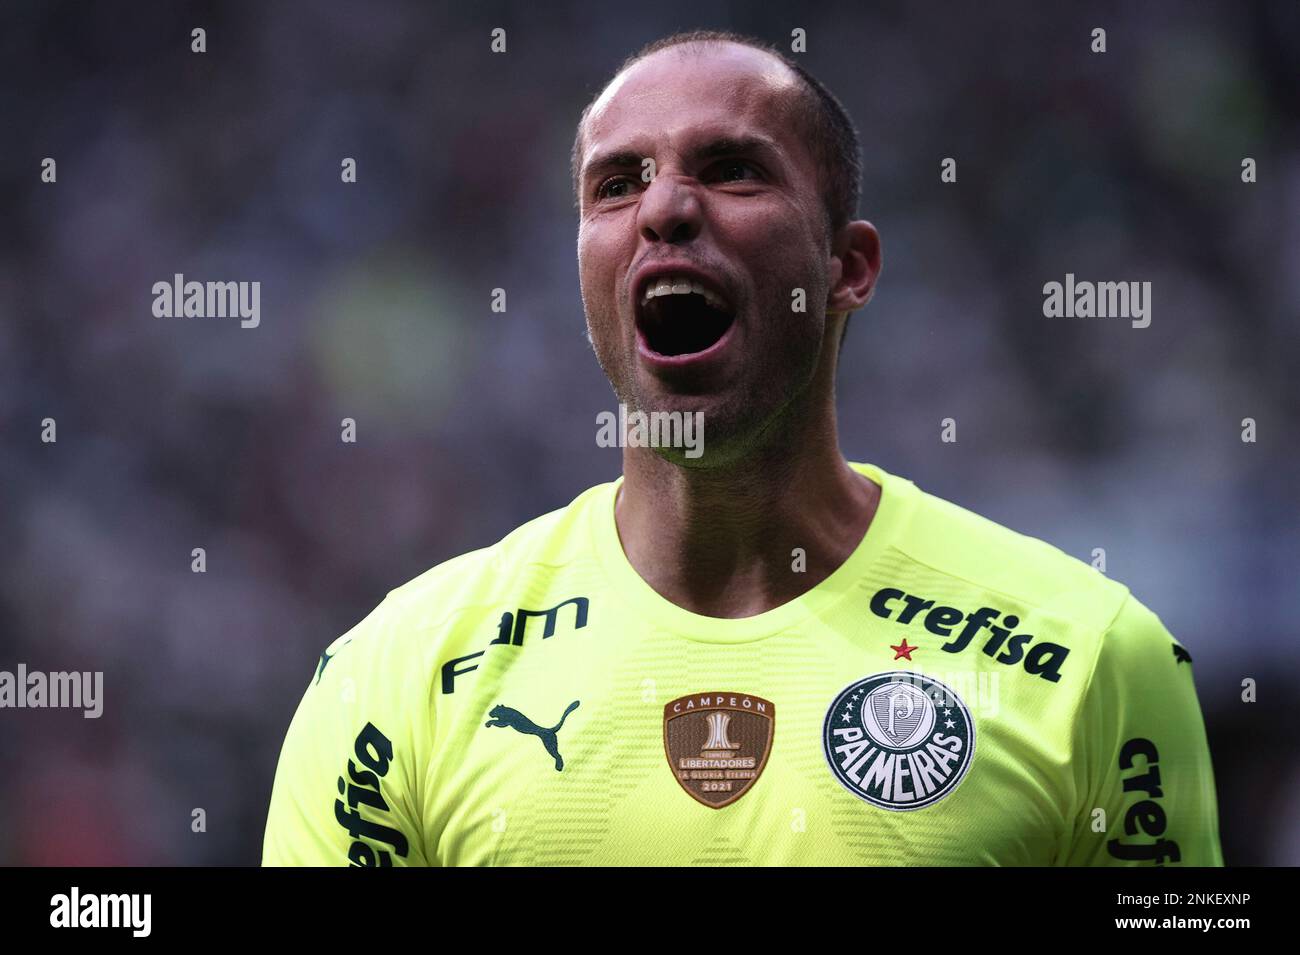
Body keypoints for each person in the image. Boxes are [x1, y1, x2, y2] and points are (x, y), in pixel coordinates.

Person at [263, 30, 1222, 866]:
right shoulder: (394, 680)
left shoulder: (1090, 661)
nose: (663, 209)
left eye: (731, 168)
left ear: (847, 269)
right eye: (617, 183)